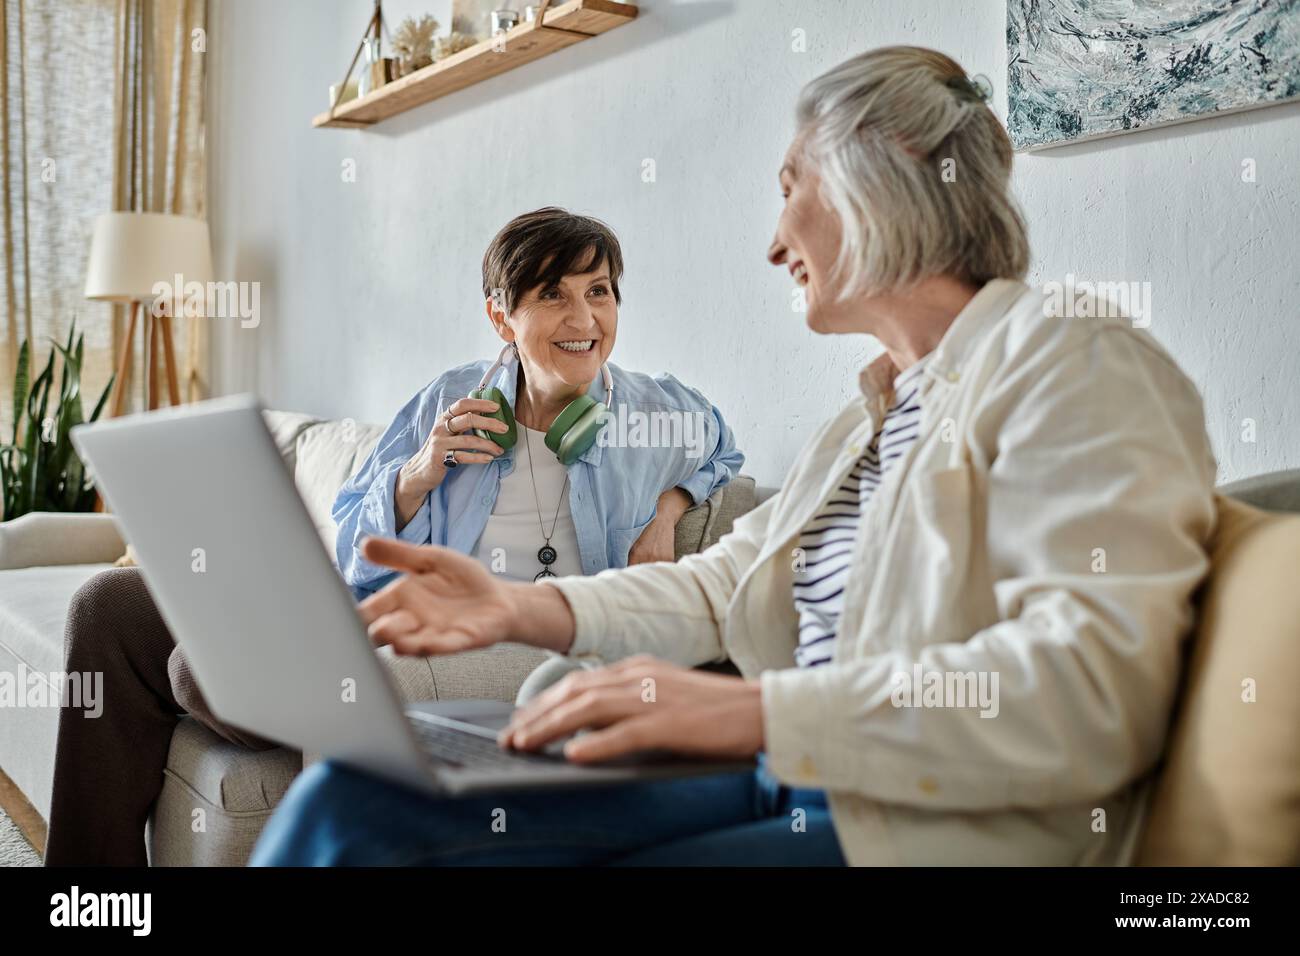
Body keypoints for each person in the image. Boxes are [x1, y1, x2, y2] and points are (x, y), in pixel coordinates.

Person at [250, 46, 1216, 867]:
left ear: (896, 168)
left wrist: (757, 715)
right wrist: (520, 607)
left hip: (919, 830)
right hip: (785, 781)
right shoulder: (874, 412)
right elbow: (726, 585)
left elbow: (1090, 691)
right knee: (358, 791)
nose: (772, 242)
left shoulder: (1074, 363)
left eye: (792, 187)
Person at [44, 207, 741, 866]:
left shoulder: (651, 409)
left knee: (201, 669)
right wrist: (416, 475)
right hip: (394, 608)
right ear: (502, 316)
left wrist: (672, 507)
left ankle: (251, 690)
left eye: (600, 292)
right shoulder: (452, 401)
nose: (584, 318)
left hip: (515, 640)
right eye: (553, 295)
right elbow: (356, 550)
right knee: (111, 605)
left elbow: (721, 446)